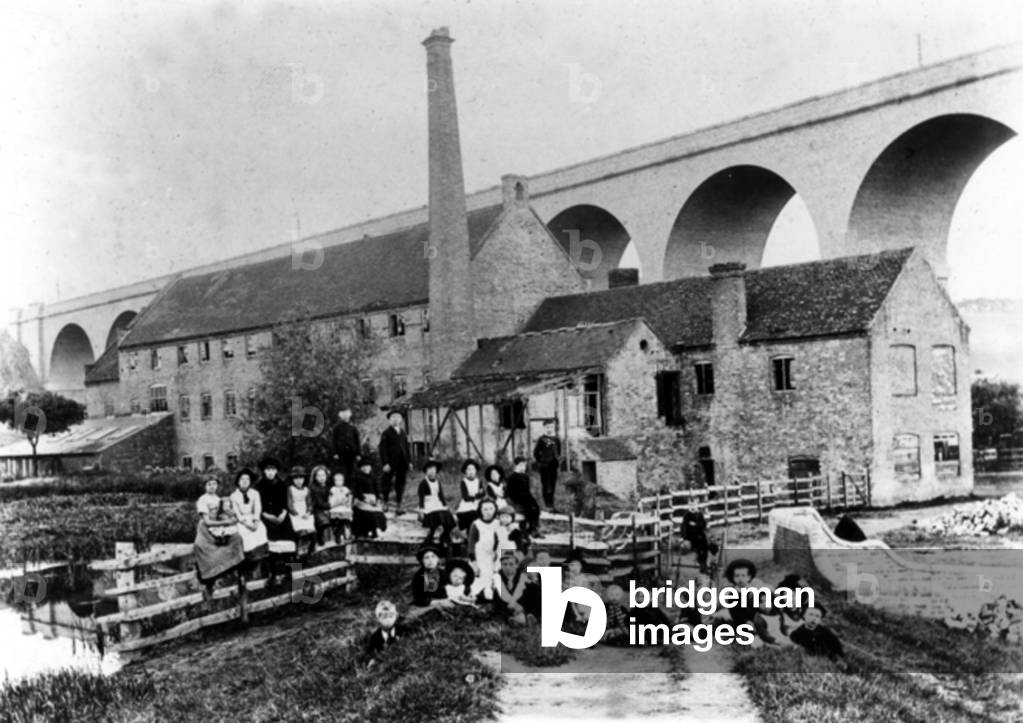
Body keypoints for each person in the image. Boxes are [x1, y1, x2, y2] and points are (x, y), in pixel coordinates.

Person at [193, 478, 244, 600]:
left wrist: (230, 518)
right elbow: (207, 521)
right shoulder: (203, 499)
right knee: (201, 547)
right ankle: (208, 583)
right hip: (206, 529)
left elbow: (226, 513)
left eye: (214, 484)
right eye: (209, 484)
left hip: (220, 526)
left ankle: (236, 572)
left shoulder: (218, 499)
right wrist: (227, 522)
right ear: (205, 486)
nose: (212, 486)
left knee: (236, 539)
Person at [712, 559, 777, 645]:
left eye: (743, 576)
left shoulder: (755, 586)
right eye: (737, 576)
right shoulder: (732, 592)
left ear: (749, 577)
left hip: (758, 617)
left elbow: (769, 592)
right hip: (742, 620)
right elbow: (734, 612)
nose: (740, 579)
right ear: (732, 577)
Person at [229, 468, 269, 564]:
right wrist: (246, 524)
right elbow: (236, 513)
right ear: (238, 481)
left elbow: (257, 508)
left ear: (250, 481)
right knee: (244, 533)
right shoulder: (233, 496)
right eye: (242, 479)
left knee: (261, 529)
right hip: (242, 521)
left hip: (253, 518)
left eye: (247, 479)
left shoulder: (255, 493)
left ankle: (261, 556)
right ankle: (249, 558)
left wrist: (255, 522)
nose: (245, 481)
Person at [418, 459, 456, 552]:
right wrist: (421, 510)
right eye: (429, 469)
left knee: (449, 519)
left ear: (436, 471)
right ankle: (429, 538)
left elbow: (441, 495)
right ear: (426, 471)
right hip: (428, 504)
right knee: (436, 517)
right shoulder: (423, 483)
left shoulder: (437, 482)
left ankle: (444, 535)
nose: (431, 471)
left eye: (433, 469)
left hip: (437, 503)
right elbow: (421, 497)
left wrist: (445, 506)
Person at [561, 548, 602, 635]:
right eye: (572, 565)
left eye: (577, 565)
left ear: (581, 567)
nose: (574, 568)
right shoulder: (568, 577)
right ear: (568, 566)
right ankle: (574, 628)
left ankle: (587, 629)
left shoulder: (583, 578)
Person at [378, 410, 412, 513]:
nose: (396, 419)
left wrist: (409, 462)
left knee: (400, 483)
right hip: (390, 463)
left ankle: (399, 504)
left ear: (401, 420)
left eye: (398, 417)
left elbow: (406, 448)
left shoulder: (403, 433)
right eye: (393, 417)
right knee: (386, 483)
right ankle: (385, 502)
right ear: (389, 420)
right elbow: (382, 449)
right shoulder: (386, 433)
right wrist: (385, 463)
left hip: (402, 462)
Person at [468, 498, 502, 600]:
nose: (488, 512)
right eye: (485, 509)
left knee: (496, 575)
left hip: (494, 554)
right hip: (480, 555)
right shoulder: (476, 524)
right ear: (480, 510)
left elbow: (502, 540)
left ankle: (496, 593)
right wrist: (474, 561)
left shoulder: (498, 523)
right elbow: (471, 544)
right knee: (482, 576)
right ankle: (481, 594)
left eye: (491, 509)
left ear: (495, 509)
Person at [351, 455, 388, 538]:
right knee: (367, 514)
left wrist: (377, 498)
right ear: (360, 468)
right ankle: (365, 531)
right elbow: (358, 491)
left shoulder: (373, 478)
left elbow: (377, 490)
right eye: (363, 467)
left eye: (368, 466)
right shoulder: (358, 478)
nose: (366, 468)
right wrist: (364, 499)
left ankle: (375, 530)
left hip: (373, 499)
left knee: (378, 513)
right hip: (362, 500)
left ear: (370, 467)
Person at [505, 456, 541, 537]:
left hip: (525, 496)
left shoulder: (525, 476)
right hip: (516, 496)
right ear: (516, 465)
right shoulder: (512, 477)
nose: (523, 467)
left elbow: (527, 490)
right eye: (521, 465)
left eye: (524, 465)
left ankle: (534, 527)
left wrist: (531, 499)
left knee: (536, 507)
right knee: (529, 508)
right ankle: (530, 529)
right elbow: (510, 491)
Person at [257, 456, 291, 542]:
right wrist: (268, 516)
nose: (270, 472)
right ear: (264, 471)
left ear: (276, 471)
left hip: (281, 515)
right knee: (270, 532)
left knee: (288, 530)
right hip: (265, 515)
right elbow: (258, 505)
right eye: (268, 470)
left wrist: (282, 515)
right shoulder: (259, 486)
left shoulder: (282, 485)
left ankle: (288, 554)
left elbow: (286, 502)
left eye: (273, 470)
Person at [493, 551, 529, 624]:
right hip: (503, 604)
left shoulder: (522, 576)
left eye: (511, 564)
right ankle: (512, 618)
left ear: (517, 565)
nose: (507, 567)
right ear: (501, 565)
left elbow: (519, 591)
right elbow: (503, 593)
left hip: (519, 605)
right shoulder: (497, 576)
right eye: (504, 564)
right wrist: (515, 605)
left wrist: (517, 606)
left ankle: (522, 617)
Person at [533, 420, 561, 512]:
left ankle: (551, 503)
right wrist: (541, 461)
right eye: (548, 427)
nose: (549, 429)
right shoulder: (542, 439)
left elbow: (559, 451)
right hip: (544, 465)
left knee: (552, 484)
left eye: (551, 427)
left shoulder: (556, 439)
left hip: (553, 465)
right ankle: (546, 503)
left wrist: (557, 460)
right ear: (544, 428)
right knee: (546, 484)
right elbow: (536, 452)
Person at [287, 466, 316, 556]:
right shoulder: (290, 489)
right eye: (296, 478)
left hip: (305, 512)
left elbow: (309, 503)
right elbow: (290, 504)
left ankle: (310, 549)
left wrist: (308, 512)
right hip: (295, 513)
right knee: (300, 532)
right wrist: (296, 513)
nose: (298, 480)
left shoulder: (307, 490)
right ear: (292, 480)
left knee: (311, 531)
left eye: (301, 478)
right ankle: (297, 558)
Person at [680, 501, 711, 574]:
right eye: (691, 505)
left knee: (705, 547)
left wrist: (696, 524)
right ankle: (702, 565)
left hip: (700, 535)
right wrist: (683, 537)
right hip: (690, 536)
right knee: (699, 548)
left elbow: (703, 524)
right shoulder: (687, 515)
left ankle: (704, 566)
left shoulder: (699, 514)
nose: (693, 507)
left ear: (696, 506)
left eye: (694, 505)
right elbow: (683, 527)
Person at [331, 406, 361, 482]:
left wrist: (358, 453)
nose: (345, 416)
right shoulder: (337, 427)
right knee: (342, 470)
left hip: (352, 452)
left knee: (352, 471)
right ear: (340, 416)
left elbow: (357, 441)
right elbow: (334, 440)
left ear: (349, 415)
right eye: (343, 415)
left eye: (347, 414)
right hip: (341, 453)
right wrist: (335, 453)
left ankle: (351, 488)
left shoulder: (353, 427)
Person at [308, 464, 334, 548]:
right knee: (323, 522)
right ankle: (320, 539)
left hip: (328, 508)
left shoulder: (328, 487)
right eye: (318, 475)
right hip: (316, 509)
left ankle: (336, 539)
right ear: (315, 477)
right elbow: (319, 503)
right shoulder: (313, 488)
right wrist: (331, 505)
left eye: (323, 475)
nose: (321, 477)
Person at [456, 459, 485, 531]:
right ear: (465, 471)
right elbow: (465, 497)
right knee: (470, 515)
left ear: (475, 471)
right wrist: (477, 495)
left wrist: (474, 495)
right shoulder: (464, 482)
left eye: (473, 469)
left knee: (481, 513)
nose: (471, 471)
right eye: (468, 469)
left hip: (477, 503)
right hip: (467, 505)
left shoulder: (478, 481)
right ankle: (469, 533)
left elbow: (483, 493)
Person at [328, 470, 353, 543]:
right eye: (337, 480)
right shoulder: (333, 489)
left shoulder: (345, 489)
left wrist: (349, 503)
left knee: (346, 517)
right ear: (334, 481)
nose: (339, 482)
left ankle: (347, 531)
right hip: (336, 506)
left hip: (344, 506)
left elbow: (350, 496)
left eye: (341, 480)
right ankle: (338, 533)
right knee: (337, 519)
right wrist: (332, 504)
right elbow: (330, 498)